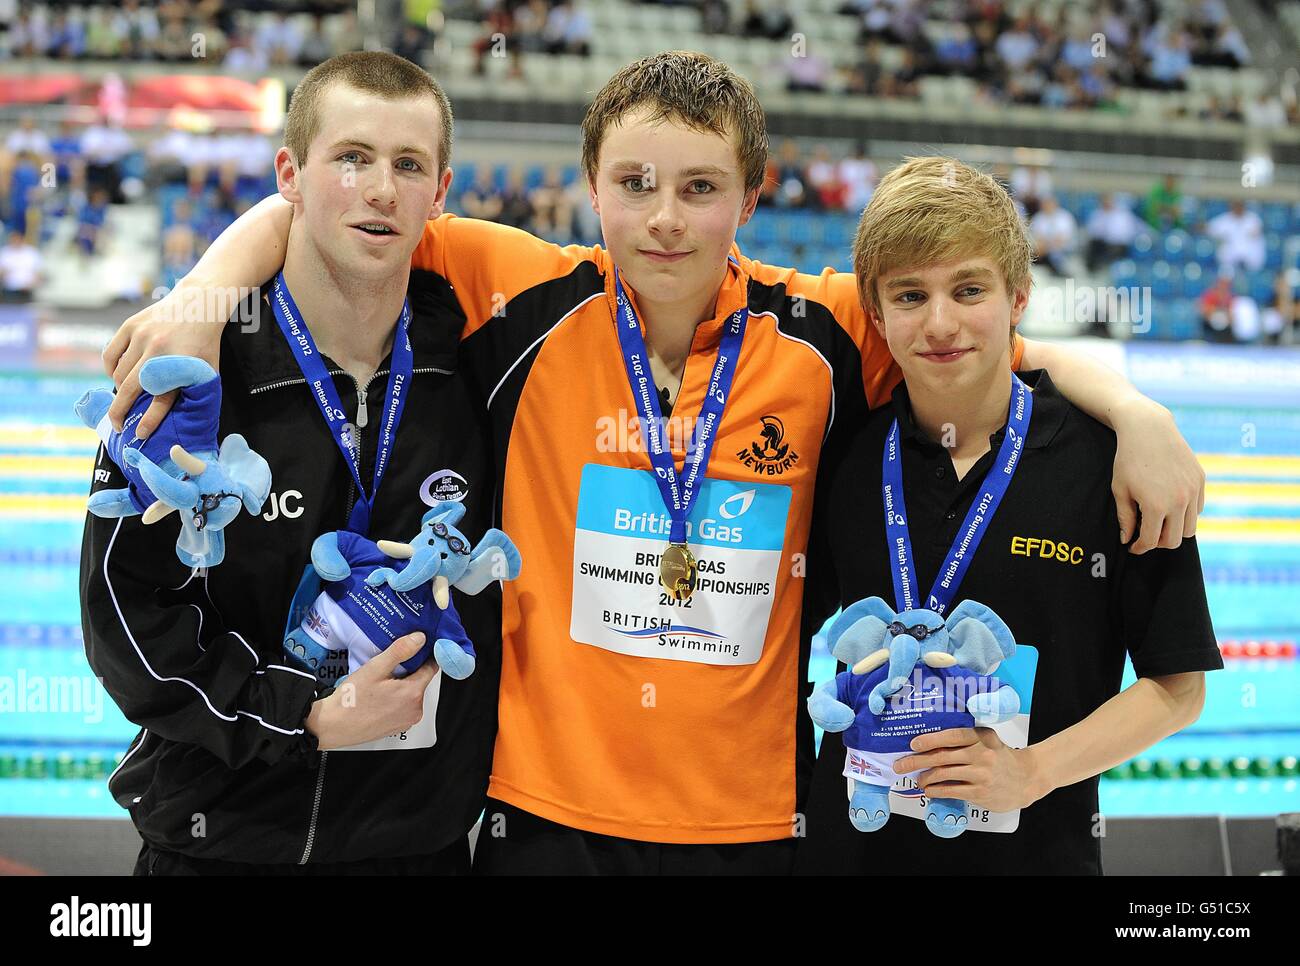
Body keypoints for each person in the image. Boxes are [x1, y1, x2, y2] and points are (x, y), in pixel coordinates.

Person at [101, 52, 1205, 875]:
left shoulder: (819, 335)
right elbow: (333, 206)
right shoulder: (523, 293)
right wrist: (201, 297)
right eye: (633, 184)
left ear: (752, 197)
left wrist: (1132, 406)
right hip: (543, 815)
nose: (664, 219)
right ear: (591, 186)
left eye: (698, 188)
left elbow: (971, 335)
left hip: (751, 823)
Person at [80, 51, 498, 876]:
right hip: (220, 843)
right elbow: (126, 622)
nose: (380, 189)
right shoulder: (194, 370)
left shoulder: (482, 368)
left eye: (407, 165)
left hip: (417, 845)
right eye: (350, 158)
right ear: (290, 175)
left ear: (439, 194)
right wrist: (302, 714)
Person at [797, 157, 1221, 875]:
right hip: (847, 854)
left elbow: (1177, 689)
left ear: (1019, 296)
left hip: (1035, 856)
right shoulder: (843, 461)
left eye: (969, 290)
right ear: (875, 312)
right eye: (909, 295)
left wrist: (1033, 771)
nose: (940, 323)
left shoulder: (1111, 465)